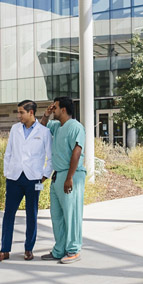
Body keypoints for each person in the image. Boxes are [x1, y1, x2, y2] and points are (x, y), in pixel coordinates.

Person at [0, 100, 53, 262]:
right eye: (18, 112)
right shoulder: (15, 129)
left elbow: (50, 157)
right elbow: (9, 152)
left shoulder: (44, 132)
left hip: (34, 179)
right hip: (14, 178)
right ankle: (4, 250)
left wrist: (45, 176)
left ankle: (28, 249)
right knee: (8, 214)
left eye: (21, 112)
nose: (19, 115)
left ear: (31, 113)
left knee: (31, 214)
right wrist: (7, 172)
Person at [39, 97, 86, 264]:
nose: (54, 110)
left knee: (71, 215)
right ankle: (59, 250)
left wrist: (69, 178)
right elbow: (41, 126)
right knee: (57, 215)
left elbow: (77, 152)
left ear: (64, 110)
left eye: (56, 107)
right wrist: (46, 113)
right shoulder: (57, 126)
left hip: (70, 176)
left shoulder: (76, 127)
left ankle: (73, 250)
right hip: (57, 175)